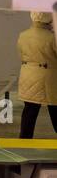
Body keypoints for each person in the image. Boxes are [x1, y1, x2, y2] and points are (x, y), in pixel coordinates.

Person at [17, 11, 57, 139]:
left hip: (27, 75)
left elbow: (21, 54)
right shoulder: (52, 37)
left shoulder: (23, 35)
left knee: (29, 110)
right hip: (47, 78)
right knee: (54, 108)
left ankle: (24, 141)